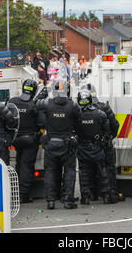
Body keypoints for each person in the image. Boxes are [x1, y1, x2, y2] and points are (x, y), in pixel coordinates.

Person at [37, 79, 82, 210]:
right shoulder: (72, 105)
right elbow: (78, 121)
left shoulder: (47, 104)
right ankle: (68, 200)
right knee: (69, 172)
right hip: (67, 145)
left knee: (50, 172)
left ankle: (51, 201)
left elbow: (34, 106)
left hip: (51, 143)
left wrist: (44, 122)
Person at [81, 83, 122, 202]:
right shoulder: (104, 107)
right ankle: (109, 193)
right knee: (107, 169)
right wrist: (108, 138)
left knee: (87, 170)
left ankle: (91, 194)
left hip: (86, 146)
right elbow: (115, 125)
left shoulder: (79, 110)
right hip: (104, 145)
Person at [75, 89, 113, 205]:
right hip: (97, 148)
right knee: (102, 172)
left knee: (84, 173)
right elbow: (108, 132)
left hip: (83, 148)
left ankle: (85, 197)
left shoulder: (76, 116)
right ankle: (106, 196)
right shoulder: (100, 114)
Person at [8, 79, 41, 203]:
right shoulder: (34, 104)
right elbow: (42, 123)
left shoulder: (13, 101)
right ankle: (23, 194)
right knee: (26, 165)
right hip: (29, 140)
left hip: (15, 139)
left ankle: (16, 192)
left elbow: (8, 118)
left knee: (19, 163)